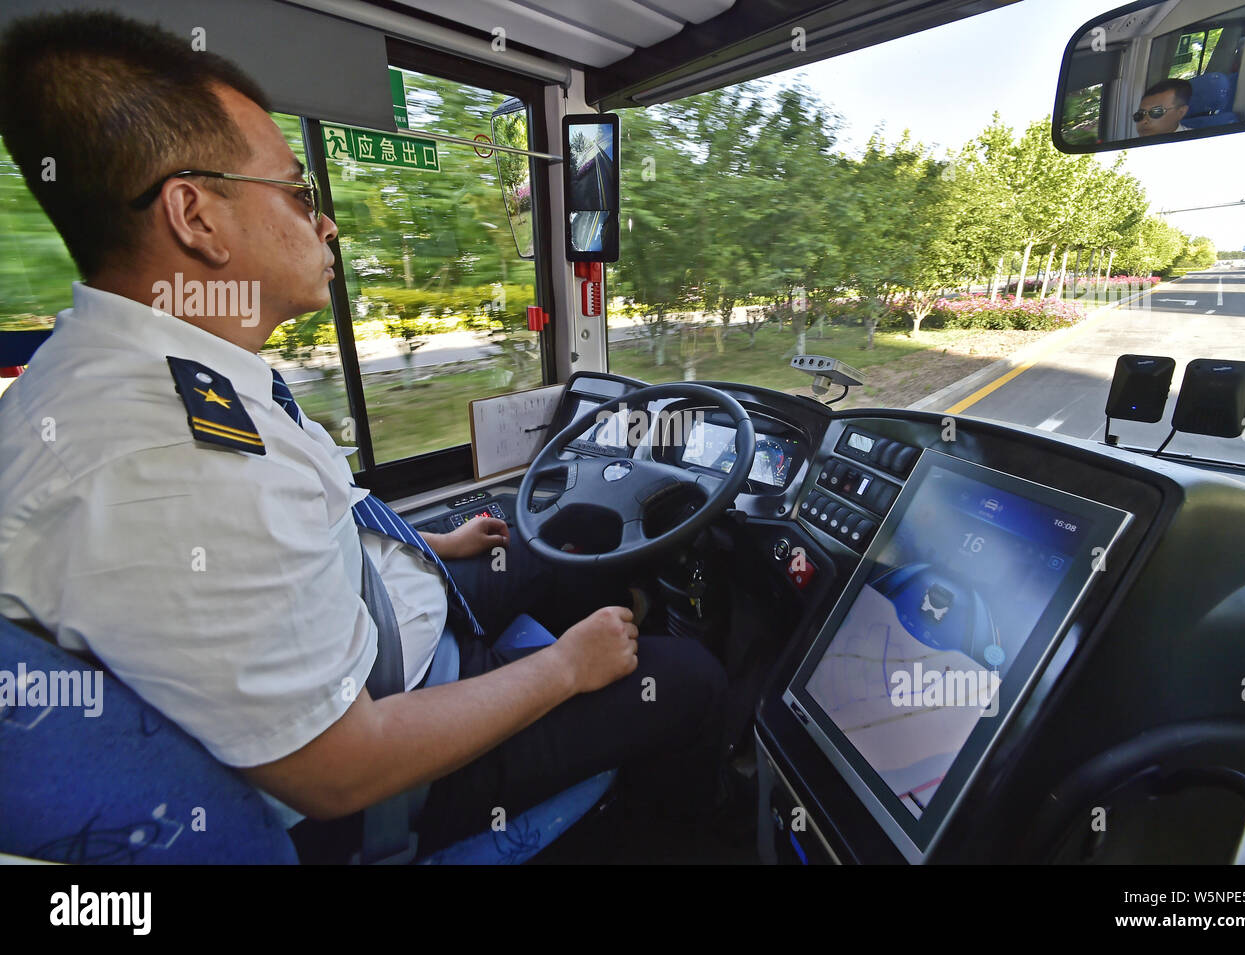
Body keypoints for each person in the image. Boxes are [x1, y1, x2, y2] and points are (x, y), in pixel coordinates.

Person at [0, 10, 727, 862]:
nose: (328, 224)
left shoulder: (170, 364)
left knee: (547, 535)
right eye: (298, 193)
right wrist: (566, 667)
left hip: (390, 617)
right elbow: (340, 768)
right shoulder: (162, 463)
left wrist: (430, 540)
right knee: (690, 681)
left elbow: (295, 529)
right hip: (396, 766)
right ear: (196, 215)